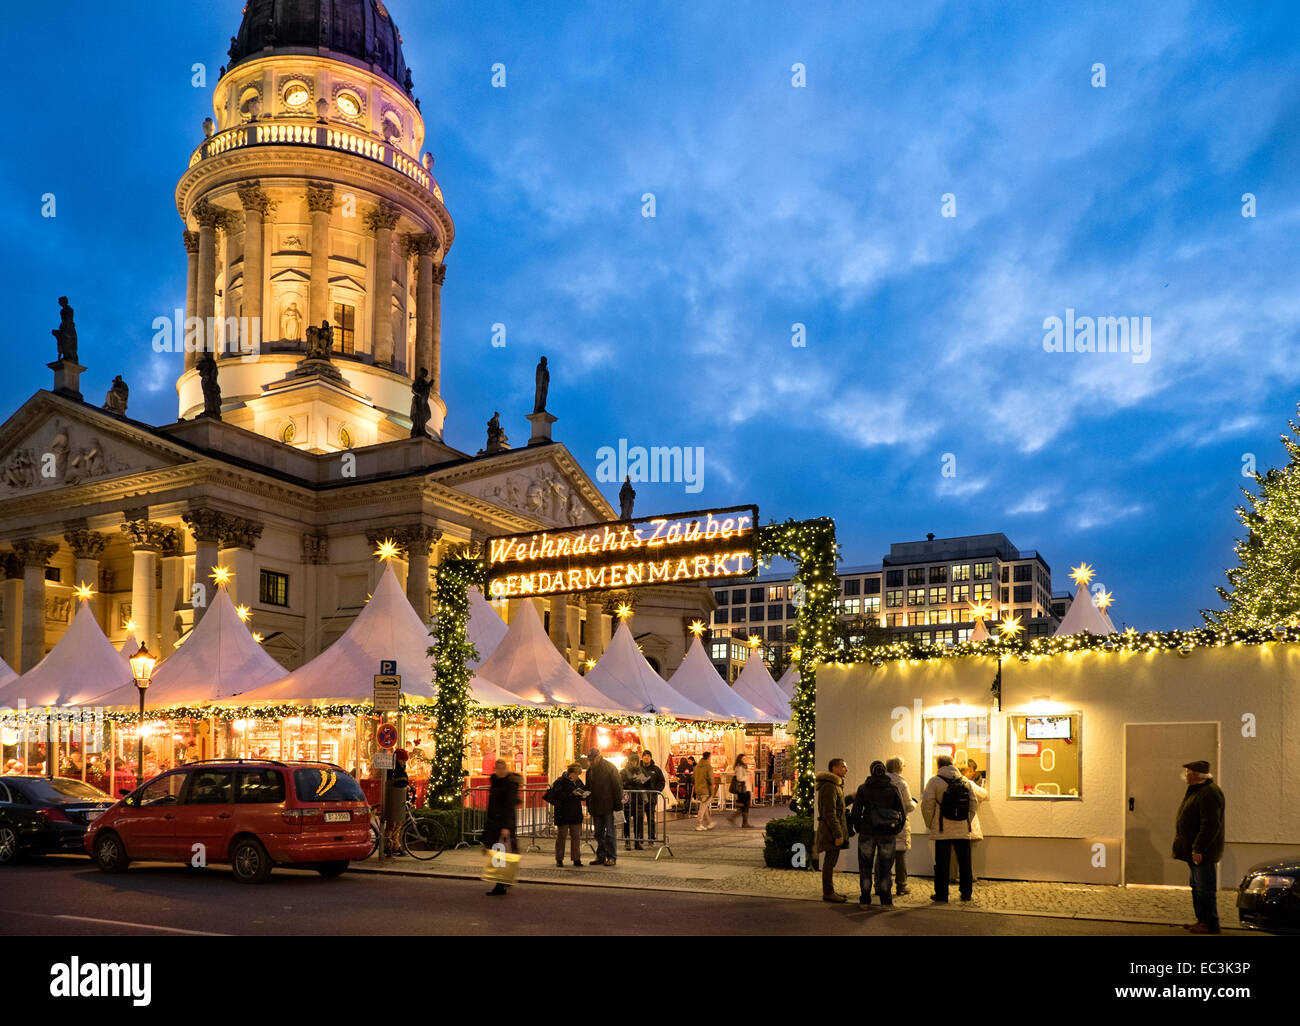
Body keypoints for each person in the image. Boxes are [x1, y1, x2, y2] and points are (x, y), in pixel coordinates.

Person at [1172, 759, 1226, 934]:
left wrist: (1199, 848)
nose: (1186, 776)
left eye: (1189, 773)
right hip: (1193, 850)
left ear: (1197, 776)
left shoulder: (1209, 793)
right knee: (1197, 886)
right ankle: (1201, 920)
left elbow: (1210, 824)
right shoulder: (1197, 790)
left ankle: (1210, 923)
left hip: (1203, 851)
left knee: (1205, 888)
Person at [921, 755, 975, 903]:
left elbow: (927, 805)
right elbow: (973, 804)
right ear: (952, 765)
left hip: (942, 828)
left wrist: (930, 823)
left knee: (942, 863)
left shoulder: (934, 781)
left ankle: (942, 894)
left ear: (939, 765)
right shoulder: (965, 781)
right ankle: (966, 893)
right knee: (965, 862)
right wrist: (966, 821)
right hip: (962, 829)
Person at [852, 760, 906, 905]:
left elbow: (856, 812)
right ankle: (886, 901)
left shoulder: (863, 789)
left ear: (871, 771)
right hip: (887, 834)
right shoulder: (893, 789)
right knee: (885, 869)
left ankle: (865, 899)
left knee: (865, 868)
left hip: (867, 832)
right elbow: (902, 813)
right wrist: (896, 830)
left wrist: (859, 828)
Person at [483, 759, 522, 895]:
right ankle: (502, 882)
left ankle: (501, 884)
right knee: (498, 855)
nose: (499, 771)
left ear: (506, 769)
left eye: (502, 768)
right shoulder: (495, 782)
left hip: (503, 825)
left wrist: (506, 827)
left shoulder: (510, 784)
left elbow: (509, 807)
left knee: (502, 855)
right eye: (497, 768)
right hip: (495, 823)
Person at [816, 758, 849, 902]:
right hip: (830, 831)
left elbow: (838, 806)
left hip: (832, 829)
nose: (846, 769)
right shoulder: (829, 786)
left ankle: (829, 891)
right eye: (843, 767)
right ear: (834, 768)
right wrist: (838, 834)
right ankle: (828, 892)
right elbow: (830, 812)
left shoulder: (835, 785)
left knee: (831, 861)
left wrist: (851, 798)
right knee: (829, 862)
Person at [952, 759, 989, 884]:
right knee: (966, 852)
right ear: (965, 771)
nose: (972, 773)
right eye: (970, 771)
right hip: (966, 822)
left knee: (954, 852)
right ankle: (965, 876)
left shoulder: (948, 782)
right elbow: (983, 794)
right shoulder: (968, 783)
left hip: (951, 822)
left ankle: (954, 874)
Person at [584, 748, 623, 866]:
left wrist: (617, 805)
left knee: (610, 833)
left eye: (593, 759)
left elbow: (617, 786)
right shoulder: (590, 770)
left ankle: (612, 857)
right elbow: (588, 788)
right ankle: (601, 855)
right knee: (598, 833)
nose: (591, 761)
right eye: (590, 759)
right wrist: (587, 800)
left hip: (609, 806)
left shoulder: (610, 768)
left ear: (598, 756)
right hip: (596, 806)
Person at [885, 756, 918, 895]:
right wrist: (915, 803)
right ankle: (901, 885)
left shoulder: (881, 781)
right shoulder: (902, 784)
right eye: (903, 766)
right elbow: (908, 806)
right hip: (899, 823)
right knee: (900, 855)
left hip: (883, 822)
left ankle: (880, 885)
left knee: (883, 855)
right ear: (899, 767)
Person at [545, 762, 588, 867]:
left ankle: (576, 859)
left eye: (578, 774)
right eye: (576, 774)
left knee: (576, 837)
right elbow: (557, 795)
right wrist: (571, 794)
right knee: (561, 837)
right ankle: (559, 859)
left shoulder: (577, 782)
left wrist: (584, 795)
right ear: (570, 773)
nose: (577, 776)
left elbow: (582, 791)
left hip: (575, 812)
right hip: (563, 813)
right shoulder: (560, 782)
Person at [634, 750, 666, 847]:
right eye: (644, 756)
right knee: (639, 818)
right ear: (642, 757)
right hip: (640, 798)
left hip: (651, 798)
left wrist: (656, 791)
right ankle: (639, 838)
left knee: (651, 818)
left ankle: (651, 838)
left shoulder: (656, 770)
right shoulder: (638, 769)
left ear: (651, 757)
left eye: (648, 756)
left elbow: (662, 782)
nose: (646, 758)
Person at [384, 748, 410, 855]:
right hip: (394, 799)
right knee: (392, 824)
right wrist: (405, 785)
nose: (404, 762)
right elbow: (395, 782)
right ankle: (388, 846)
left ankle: (395, 845)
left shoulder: (399, 768)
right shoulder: (393, 769)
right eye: (402, 760)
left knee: (398, 824)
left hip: (400, 798)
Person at [620, 748, 640, 851]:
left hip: (637, 798)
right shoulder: (624, 771)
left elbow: (645, 782)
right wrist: (630, 783)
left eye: (635, 761)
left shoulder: (640, 770)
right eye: (632, 761)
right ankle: (627, 840)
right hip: (627, 798)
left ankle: (637, 841)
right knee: (626, 820)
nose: (634, 763)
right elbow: (621, 783)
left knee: (637, 820)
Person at [693, 751, 716, 830]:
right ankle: (698, 824)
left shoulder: (697, 767)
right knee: (703, 807)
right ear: (709, 757)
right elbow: (710, 780)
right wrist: (712, 791)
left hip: (698, 789)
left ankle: (709, 822)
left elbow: (694, 778)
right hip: (705, 790)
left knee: (704, 806)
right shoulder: (708, 767)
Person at [730, 754, 753, 828]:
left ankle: (738, 820)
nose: (745, 760)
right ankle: (744, 823)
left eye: (746, 758)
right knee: (745, 806)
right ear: (740, 759)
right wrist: (748, 775)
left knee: (743, 806)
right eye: (743, 759)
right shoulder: (740, 767)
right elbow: (739, 778)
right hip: (743, 789)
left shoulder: (743, 767)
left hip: (745, 788)